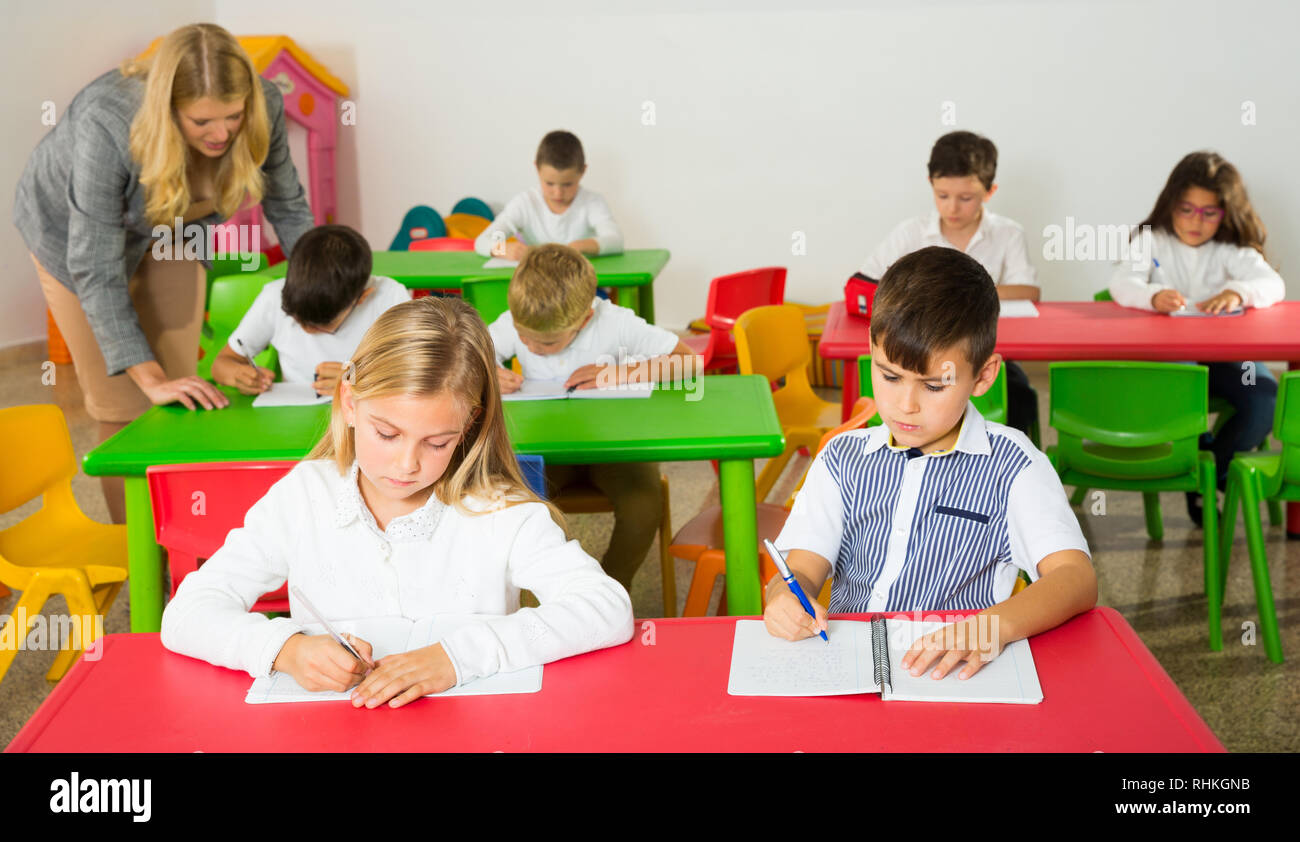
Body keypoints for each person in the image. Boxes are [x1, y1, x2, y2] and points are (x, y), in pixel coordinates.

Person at [161, 296, 634, 707]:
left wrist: (455, 658)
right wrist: (285, 648)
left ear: (468, 426)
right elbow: (185, 615)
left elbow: (606, 608)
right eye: (387, 433)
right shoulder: (303, 496)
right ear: (350, 404)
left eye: (437, 442)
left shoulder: (501, 509)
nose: (406, 465)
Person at [13, 23, 316, 522]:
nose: (222, 133)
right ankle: (139, 554)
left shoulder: (262, 102)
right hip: (72, 239)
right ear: (168, 110)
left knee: (185, 388)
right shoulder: (106, 123)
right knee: (123, 400)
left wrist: (325, 292)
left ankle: (184, 534)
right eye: (202, 121)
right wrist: (146, 377)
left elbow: (288, 205)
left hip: (171, 226)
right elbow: (95, 267)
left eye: (233, 117)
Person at [766, 246, 1096, 681]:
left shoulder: (1014, 466)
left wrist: (994, 627)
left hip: (954, 678)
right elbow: (801, 571)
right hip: (848, 668)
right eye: (889, 376)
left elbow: (1076, 578)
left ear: (983, 376)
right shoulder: (842, 459)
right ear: (871, 353)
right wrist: (784, 601)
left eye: (935, 386)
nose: (906, 405)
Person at [488, 244, 699, 589]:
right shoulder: (515, 322)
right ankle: (556, 592)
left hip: (615, 450)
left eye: (547, 343)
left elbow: (689, 362)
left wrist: (618, 373)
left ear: (585, 318)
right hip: (547, 452)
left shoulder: (614, 322)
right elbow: (465, 356)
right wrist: (488, 370)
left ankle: (611, 587)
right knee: (509, 504)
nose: (530, 345)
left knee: (644, 505)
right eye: (524, 337)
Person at [1109, 151, 1284, 526]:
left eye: (1209, 212)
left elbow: (1272, 284)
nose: (1196, 221)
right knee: (1185, 388)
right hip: (1171, 361)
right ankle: (1199, 464)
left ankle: (1213, 470)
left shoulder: (1232, 247)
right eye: (1186, 209)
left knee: (1264, 399)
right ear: (1171, 203)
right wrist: (1152, 296)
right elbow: (1122, 284)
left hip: (1228, 359)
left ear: (1225, 212)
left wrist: (1237, 292)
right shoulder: (1151, 240)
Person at [854, 131, 1040, 439]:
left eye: (965, 198)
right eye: (943, 196)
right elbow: (866, 282)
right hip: (916, 350)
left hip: (980, 350)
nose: (952, 208)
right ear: (931, 186)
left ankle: (1000, 463)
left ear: (989, 192)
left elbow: (1028, 291)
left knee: (1019, 396)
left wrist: (963, 298)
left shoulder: (1008, 233)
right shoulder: (909, 233)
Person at [213, 225, 409, 396]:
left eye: (322, 325)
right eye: (297, 319)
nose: (307, 330)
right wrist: (238, 375)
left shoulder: (390, 298)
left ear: (362, 297)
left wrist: (358, 379)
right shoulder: (274, 297)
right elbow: (222, 364)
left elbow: (421, 372)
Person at [473, 130, 622, 260]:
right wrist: (504, 250)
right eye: (549, 184)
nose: (558, 193)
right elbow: (483, 241)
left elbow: (616, 240)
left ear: (583, 171)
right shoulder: (525, 204)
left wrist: (579, 246)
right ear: (537, 168)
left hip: (581, 283)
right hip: (537, 285)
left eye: (567, 184)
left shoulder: (592, 203)